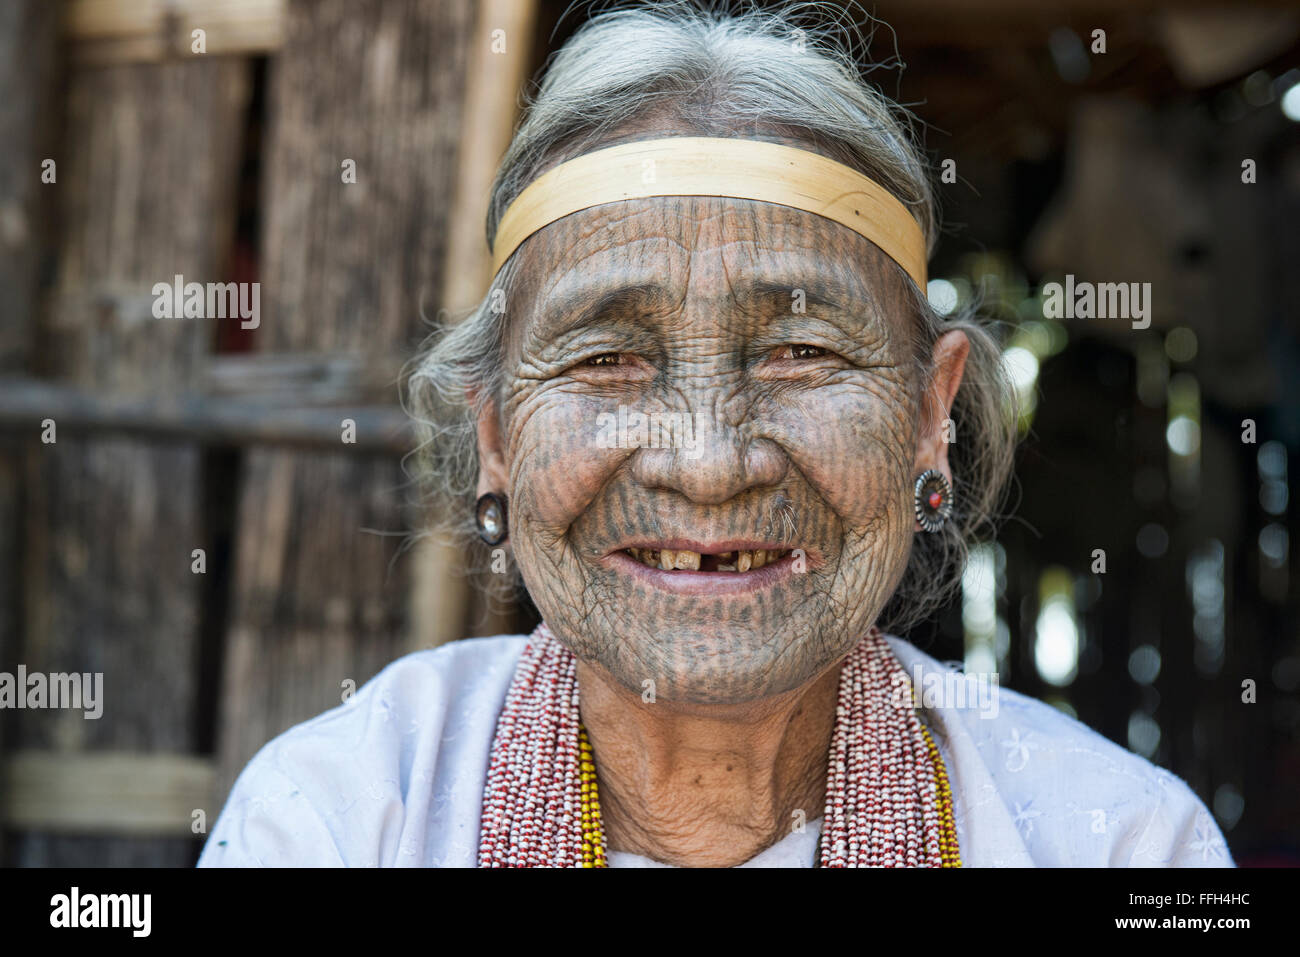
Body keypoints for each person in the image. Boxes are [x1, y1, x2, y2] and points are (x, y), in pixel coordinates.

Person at [198, 2, 1232, 868]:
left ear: (929, 416)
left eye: (801, 354)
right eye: (605, 360)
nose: (705, 464)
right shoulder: (335, 820)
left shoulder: (1120, 845)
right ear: (497, 435)